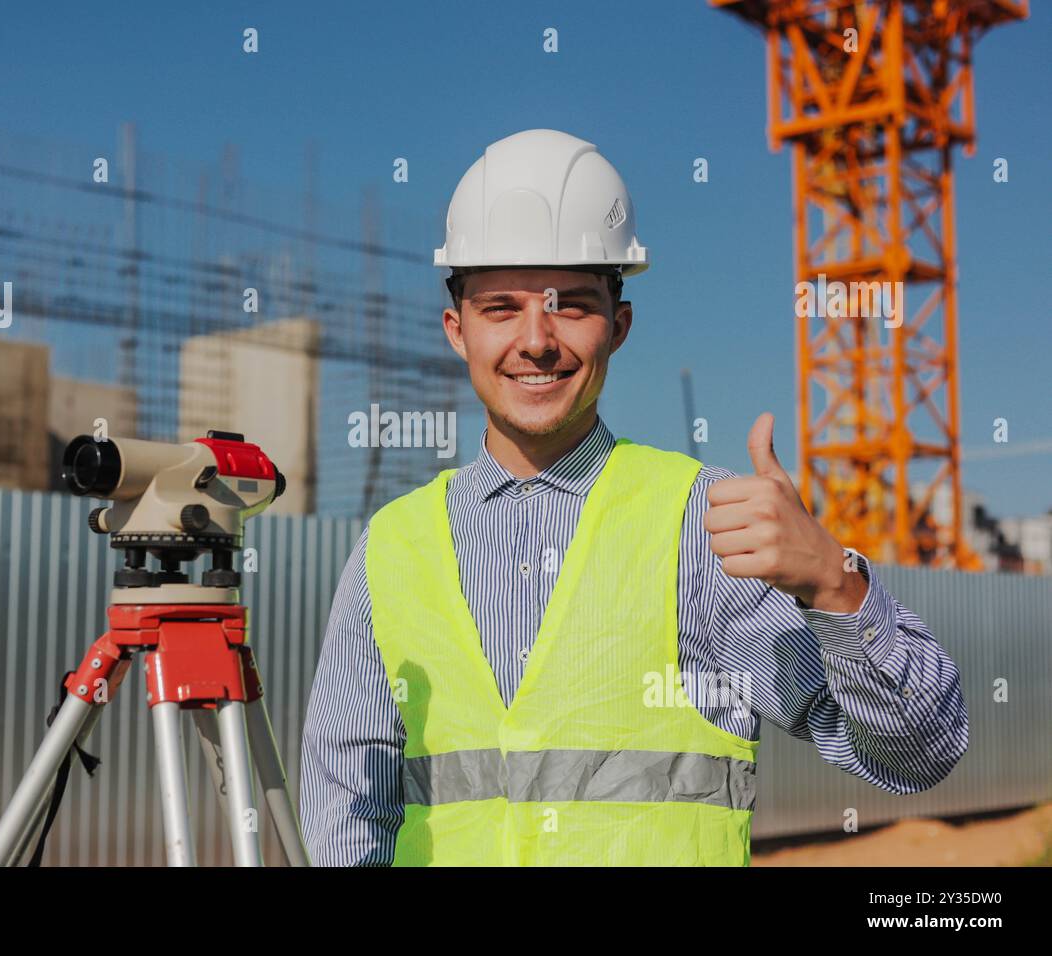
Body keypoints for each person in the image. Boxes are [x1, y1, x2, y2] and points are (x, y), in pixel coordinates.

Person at [299, 129, 967, 866]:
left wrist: (835, 586)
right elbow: (343, 809)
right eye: (501, 308)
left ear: (617, 327)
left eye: (570, 306)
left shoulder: (701, 524)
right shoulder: (390, 548)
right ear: (458, 331)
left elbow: (919, 755)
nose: (536, 340)